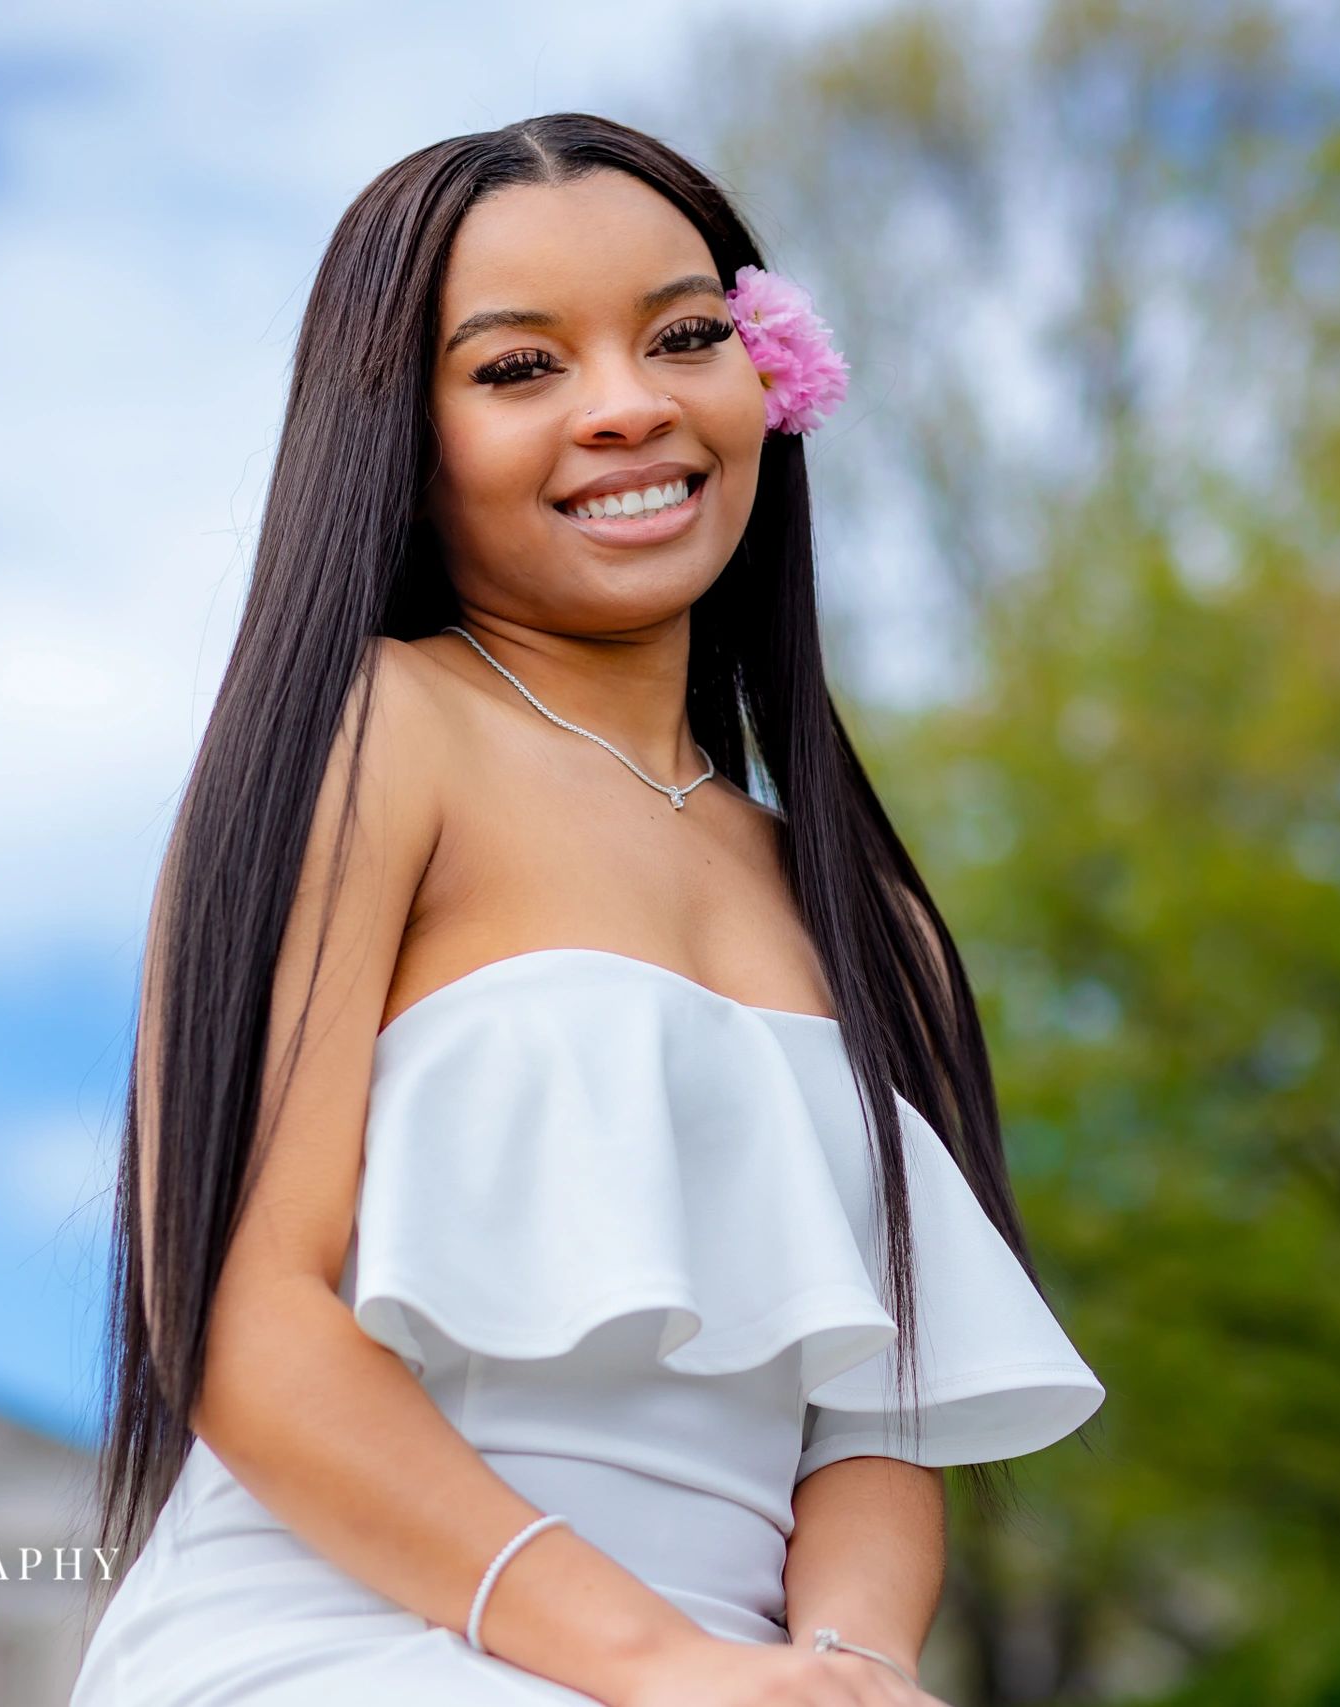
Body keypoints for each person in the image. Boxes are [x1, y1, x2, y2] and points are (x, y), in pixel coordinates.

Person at [65, 113, 1106, 1706]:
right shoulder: (376, 733)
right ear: (398, 443)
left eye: (685, 337)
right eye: (518, 368)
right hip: (364, 1636)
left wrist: (844, 1666)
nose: (628, 407)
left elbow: (878, 1421)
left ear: (771, 377)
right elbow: (235, 1312)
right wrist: (655, 1665)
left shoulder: (862, 902)